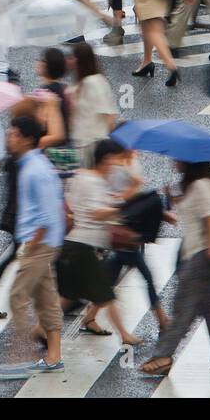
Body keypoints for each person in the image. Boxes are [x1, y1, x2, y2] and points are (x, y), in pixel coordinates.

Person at [139, 159, 210, 377]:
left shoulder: (201, 185)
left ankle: (163, 356)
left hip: (201, 256)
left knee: (183, 307)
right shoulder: (193, 185)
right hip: (197, 253)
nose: (173, 163)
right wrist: (175, 197)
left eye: (177, 160)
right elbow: (195, 212)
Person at [0, 115, 66, 378]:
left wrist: (31, 246)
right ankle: (53, 356)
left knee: (17, 296)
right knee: (46, 300)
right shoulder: (30, 165)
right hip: (41, 242)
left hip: (39, 243)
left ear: (26, 139)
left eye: (13, 133)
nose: (8, 137)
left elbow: (48, 214)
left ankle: (21, 356)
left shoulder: (35, 170)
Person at [57, 139, 140, 345]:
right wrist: (120, 208)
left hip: (76, 244)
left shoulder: (84, 177)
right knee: (106, 293)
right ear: (105, 159)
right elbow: (97, 212)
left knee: (70, 294)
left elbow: (78, 205)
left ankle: (41, 328)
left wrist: (128, 194)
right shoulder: (92, 181)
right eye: (115, 160)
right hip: (82, 246)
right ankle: (125, 335)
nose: (116, 165)